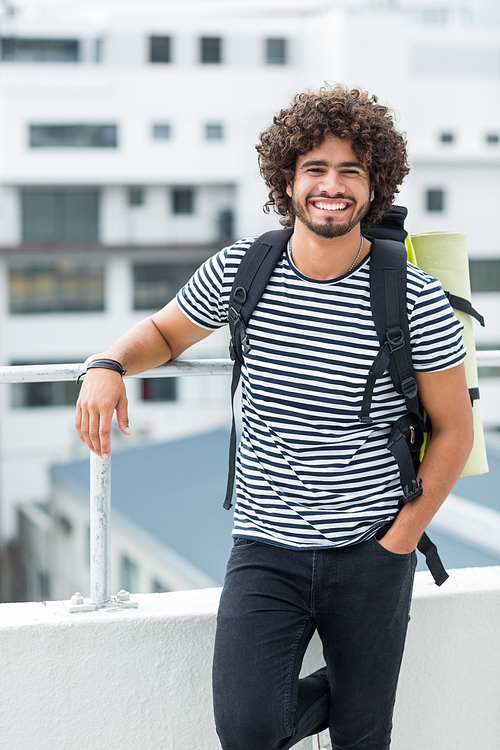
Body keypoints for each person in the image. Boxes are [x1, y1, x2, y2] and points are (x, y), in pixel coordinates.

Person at [76, 85, 473, 750]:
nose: (332, 186)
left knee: (361, 733)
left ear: (374, 187)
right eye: (315, 168)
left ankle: (356, 694)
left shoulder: (413, 297)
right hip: (267, 549)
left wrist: (400, 540)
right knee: (250, 730)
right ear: (287, 181)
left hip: (373, 546)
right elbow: (166, 334)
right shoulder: (244, 269)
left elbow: (455, 429)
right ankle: (351, 683)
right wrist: (108, 364)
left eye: (352, 170)